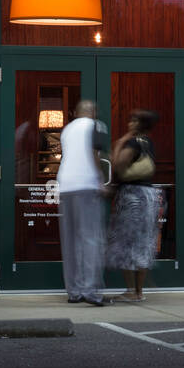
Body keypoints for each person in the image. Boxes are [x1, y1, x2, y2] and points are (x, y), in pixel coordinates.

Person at [106, 109, 164, 302]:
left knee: (128, 243)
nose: (130, 123)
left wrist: (119, 143)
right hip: (148, 196)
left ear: (138, 124)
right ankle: (139, 292)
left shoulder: (132, 143)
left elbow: (117, 165)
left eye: (133, 120)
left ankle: (131, 290)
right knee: (143, 243)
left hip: (132, 197)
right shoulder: (149, 144)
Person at [55, 99, 108, 307]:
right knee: (90, 239)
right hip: (86, 185)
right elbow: (96, 153)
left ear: (76, 112)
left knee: (70, 241)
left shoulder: (66, 129)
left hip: (65, 185)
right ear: (92, 112)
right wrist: (101, 179)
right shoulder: (97, 125)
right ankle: (91, 291)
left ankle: (74, 291)